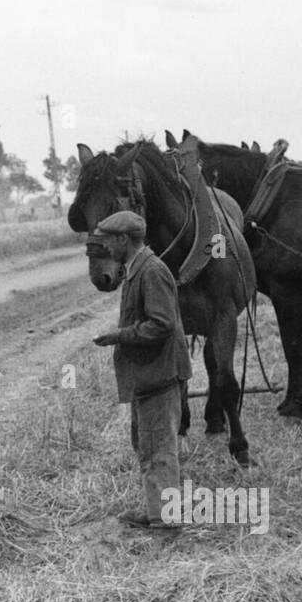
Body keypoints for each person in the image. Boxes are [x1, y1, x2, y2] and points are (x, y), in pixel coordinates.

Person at [91, 210, 191, 528]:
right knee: (148, 445)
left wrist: (119, 336)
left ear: (124, 239)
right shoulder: (138, 268)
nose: (106, 247)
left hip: (159, 375)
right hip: (149, 375)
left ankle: (166, 521)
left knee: (159, 449)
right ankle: (157, 511)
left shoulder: (151, 271)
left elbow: (161, 324)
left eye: (108, 241)